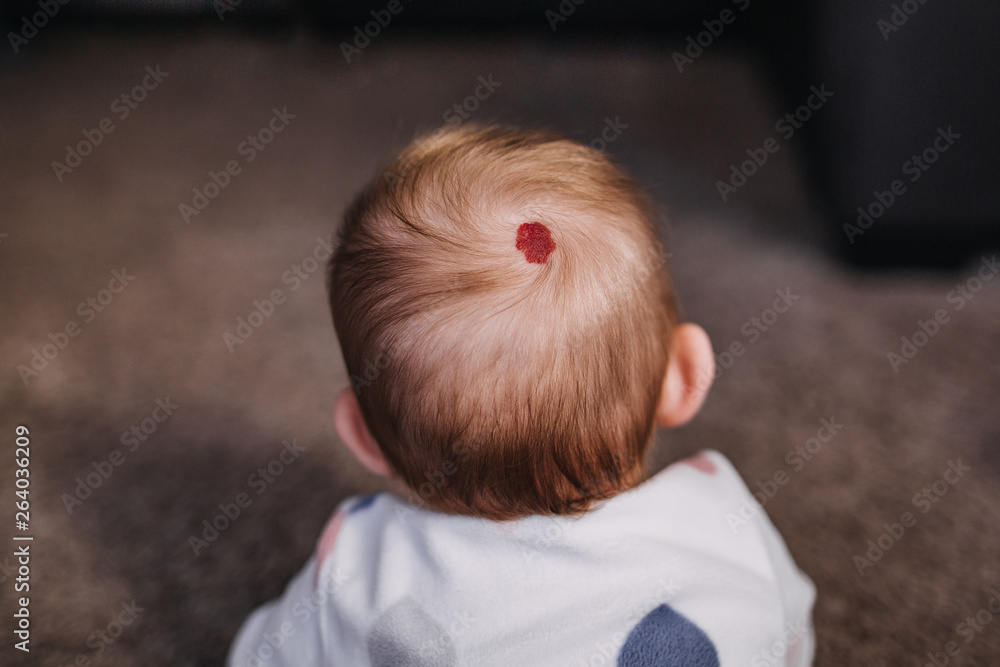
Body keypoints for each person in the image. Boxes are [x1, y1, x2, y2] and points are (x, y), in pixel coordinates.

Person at [227, 125, 815, 667]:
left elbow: (258, 657)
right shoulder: (723, 524)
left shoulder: (358, 569)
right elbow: (789, 639)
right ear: (685, 376)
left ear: (363, 435)